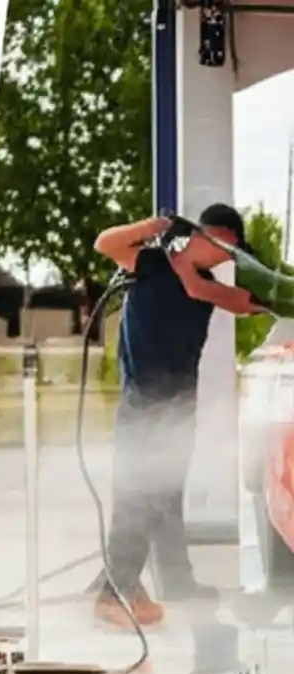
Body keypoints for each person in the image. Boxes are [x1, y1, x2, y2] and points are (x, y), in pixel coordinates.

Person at [92, 203, 262, 629]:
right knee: (141, 494)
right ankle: (114, 591)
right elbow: (105, 243)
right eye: (219, 246)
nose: (222, 257)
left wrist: (190, 268)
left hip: (179, 403)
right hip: (143, 400)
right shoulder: (149, 260)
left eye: (229, 253)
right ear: (204, 235)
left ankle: (175, 579)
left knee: (166, 496)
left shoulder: (203, 284)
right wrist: (152, 226)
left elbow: (236, 301)